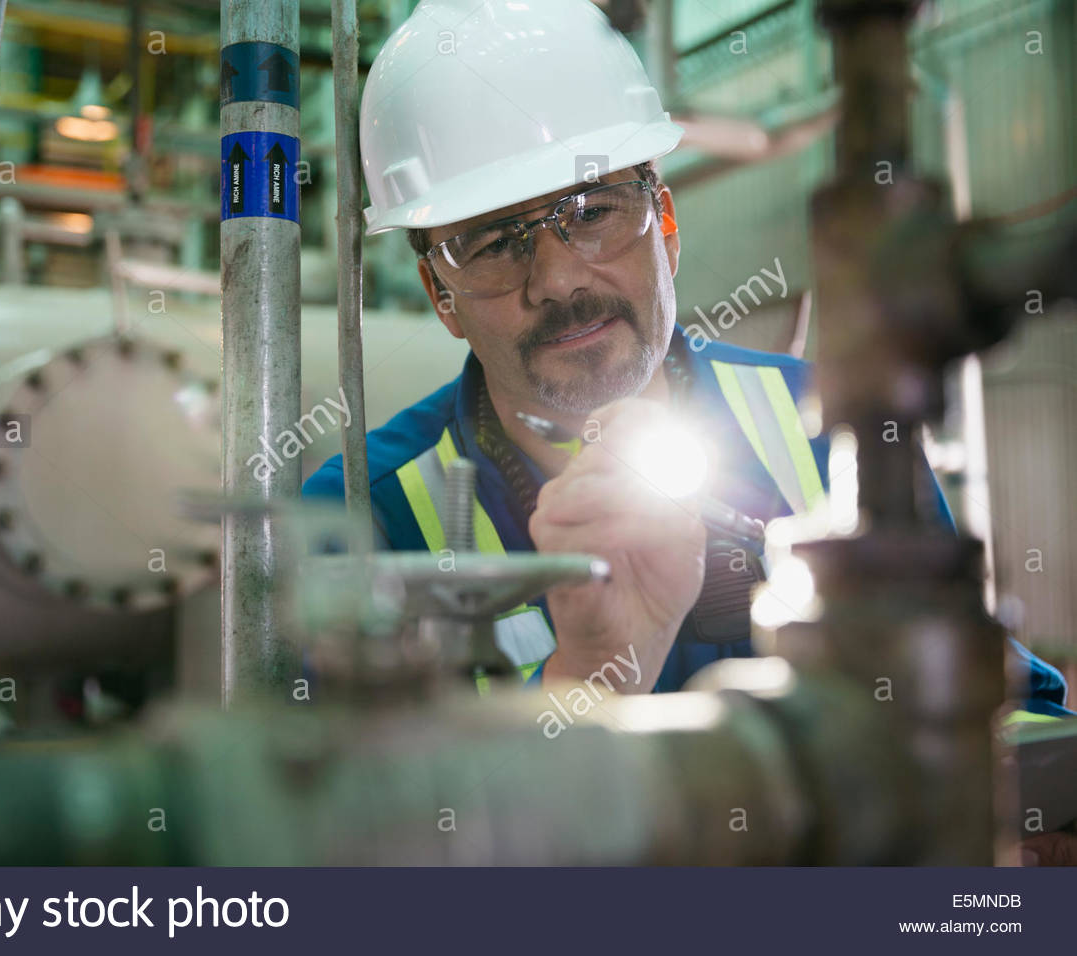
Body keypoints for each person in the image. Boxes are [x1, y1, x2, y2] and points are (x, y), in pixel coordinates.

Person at [302, 0, 1069, 718]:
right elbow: (341, 843)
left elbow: (1011, 722)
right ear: (441, 294)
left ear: (665, 224)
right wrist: (590, 670)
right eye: (493, 244)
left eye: (593, 211)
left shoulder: (835, 426)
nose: (559, 279)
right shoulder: (359, 520)